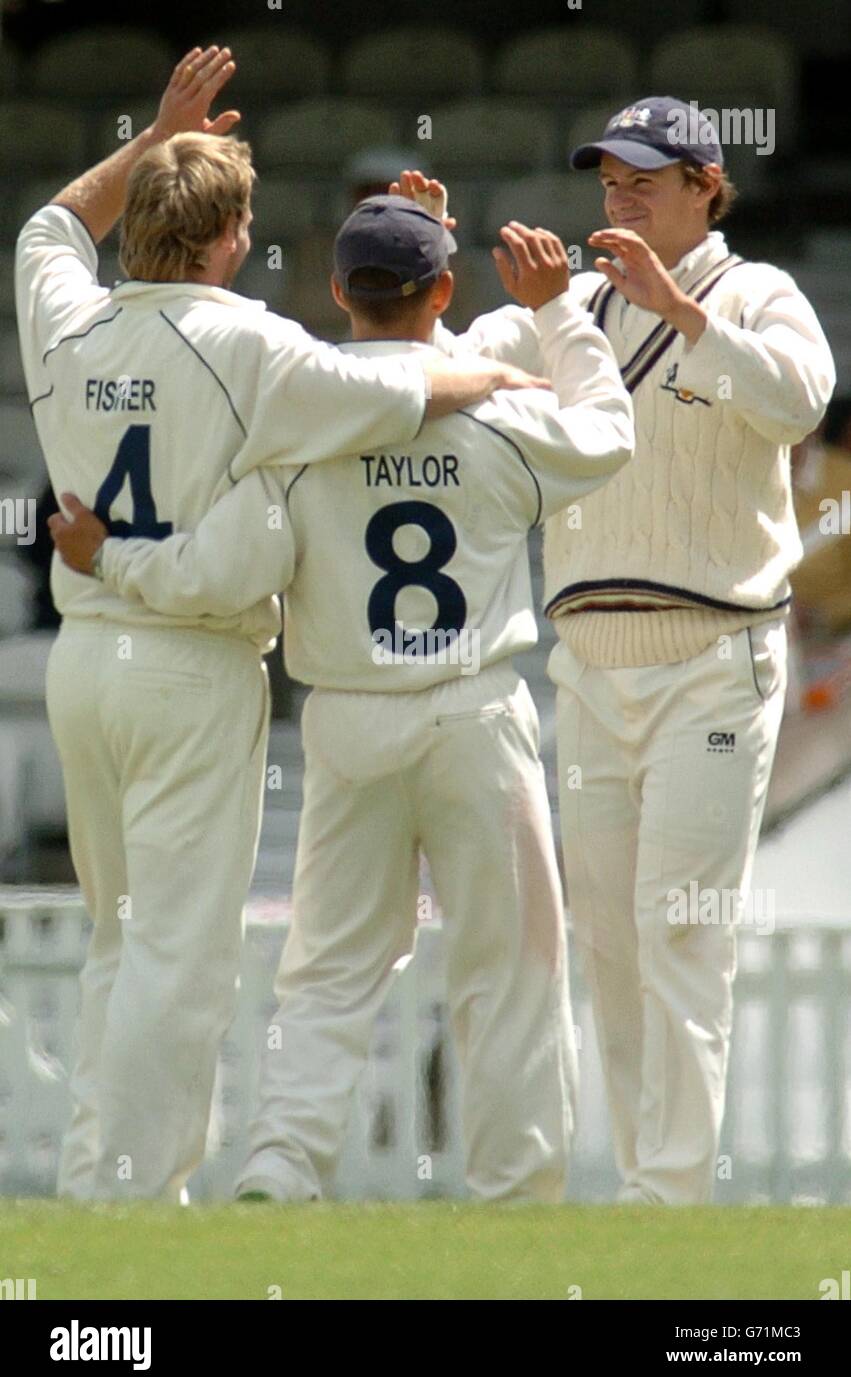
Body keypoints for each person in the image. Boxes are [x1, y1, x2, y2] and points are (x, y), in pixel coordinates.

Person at [16, 45, 541, 1203]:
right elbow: (400, 381)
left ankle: (96, 1187)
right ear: (221, 241)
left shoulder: (64, 317)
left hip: (84, 658)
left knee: (118, 938)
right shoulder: (254, 343)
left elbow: (51, 224)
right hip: (191, 665)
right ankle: (133, 1203)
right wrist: (503, 382)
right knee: (176, 956)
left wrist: (154, 133)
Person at [404, 95, 836, 1204]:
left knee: (679, 933)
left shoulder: (754, 293)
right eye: (608, 177)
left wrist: (684, 317)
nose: (620, 195)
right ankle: (649, 1195)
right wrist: (430, 256)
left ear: (704, 185)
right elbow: (442, 366)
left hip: (711, 652)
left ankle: (669, 1204)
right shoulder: (569, 305)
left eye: (644, 176)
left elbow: (797, 401)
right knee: (609, 944)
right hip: (590, 663)